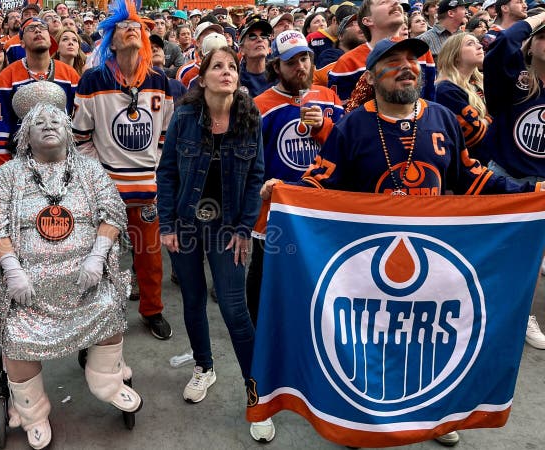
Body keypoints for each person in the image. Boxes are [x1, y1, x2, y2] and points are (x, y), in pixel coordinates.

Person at [264, 37, 543, 448]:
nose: (407, 67)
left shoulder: (444, 119)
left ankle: (438, 418)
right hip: (369, 269)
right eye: (393, 62)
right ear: (372, 76)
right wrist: (285, 192)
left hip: (436, 265)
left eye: (413, 59)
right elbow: (321, 184)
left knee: (431, 342)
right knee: (373, 343)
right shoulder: (352, 126)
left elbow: (473, 178)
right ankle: (362, 421)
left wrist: (533, 191)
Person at [0, 83, 141, 450]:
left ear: (68, 130)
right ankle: (32, 410)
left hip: (87, 278)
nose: (49, 126)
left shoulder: (89, 169)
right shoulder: (10, 173)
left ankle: (106, 380)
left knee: (109, 307)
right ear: (26, 135)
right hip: (28, 286)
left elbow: (112, 211)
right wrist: (11, 265)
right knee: (17, 339)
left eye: (56, 120)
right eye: (40, 123)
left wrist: (99, 253)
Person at [156, 46, 269, 443]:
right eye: (217, 66)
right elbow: (167, 170)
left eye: (231, 67)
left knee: (235, 309)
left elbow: (256, 177)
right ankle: (204, 366)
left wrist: (243, 230)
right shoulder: (185, 116)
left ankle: (257, 394)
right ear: (201, 78)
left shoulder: (248, 117)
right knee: (192, 299)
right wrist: (167, 223)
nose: (227, 72)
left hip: (228, 227)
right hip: (186, 222)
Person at [73, 0, 174, 340]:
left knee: (150, 257)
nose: (131, 29)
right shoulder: (92, 80)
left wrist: (156, 169)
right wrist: (97, 177)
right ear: (111, 42)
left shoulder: (161, 81)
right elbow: (80, 137)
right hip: (107, 189)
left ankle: (152, 310)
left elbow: (165, 134)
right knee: (102, 255)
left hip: (147, 187)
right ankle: (103, 314)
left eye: (138, 26)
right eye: (122, 26)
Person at [250, 29, 343, 335]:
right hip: (273, 212)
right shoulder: (261, 105)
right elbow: (250, 162)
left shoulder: (329, 97)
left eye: (304, 58)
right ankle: (262, 336)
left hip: (320, 210)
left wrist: (324, 126)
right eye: (291, 62)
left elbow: (345, 150)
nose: (300, 67)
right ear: (276, 66)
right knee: (264, 280)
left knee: (314, 278)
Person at [484, 11, 545, 349]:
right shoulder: (514, 79)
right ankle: (483, 308)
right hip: (504, 176)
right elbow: (504, 41)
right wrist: (541, 16)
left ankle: (520, 314)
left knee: (533, 258)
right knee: (493, 249)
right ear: (531, 46)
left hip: (542, 185)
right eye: (543, 36)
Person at [0, 16, 79, 168]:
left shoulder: (69, 74)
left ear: (50, 38)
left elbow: (78, 121)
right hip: (22, 160)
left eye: (42, 28)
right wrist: (4, 168)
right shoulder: (7, 76)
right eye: (30, 29)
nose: (38, 30)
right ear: (22, 42)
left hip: (64, 157)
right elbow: (2, 127)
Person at [328, 0, 436, 103]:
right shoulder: (348, 62)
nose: (395, 3)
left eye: (397, 1)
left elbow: (429, 101)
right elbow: (342, 115)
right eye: (384, 2)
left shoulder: (422, 53)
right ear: (367, 20)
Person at [435, 33, 491, 161]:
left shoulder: (480, 82)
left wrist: (486, 120)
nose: (479, 46)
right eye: (470, 44)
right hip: (468, 168)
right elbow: (475, 136)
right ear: (455, 56)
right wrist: (493, 116)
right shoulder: (446, 90)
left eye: (478, 42)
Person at [238, 15, 274, 97]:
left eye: (264, 35)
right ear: (241, 49)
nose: (260, 39)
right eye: (252, 36)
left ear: (269, 48)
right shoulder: (235, 79)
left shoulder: (280, 74)